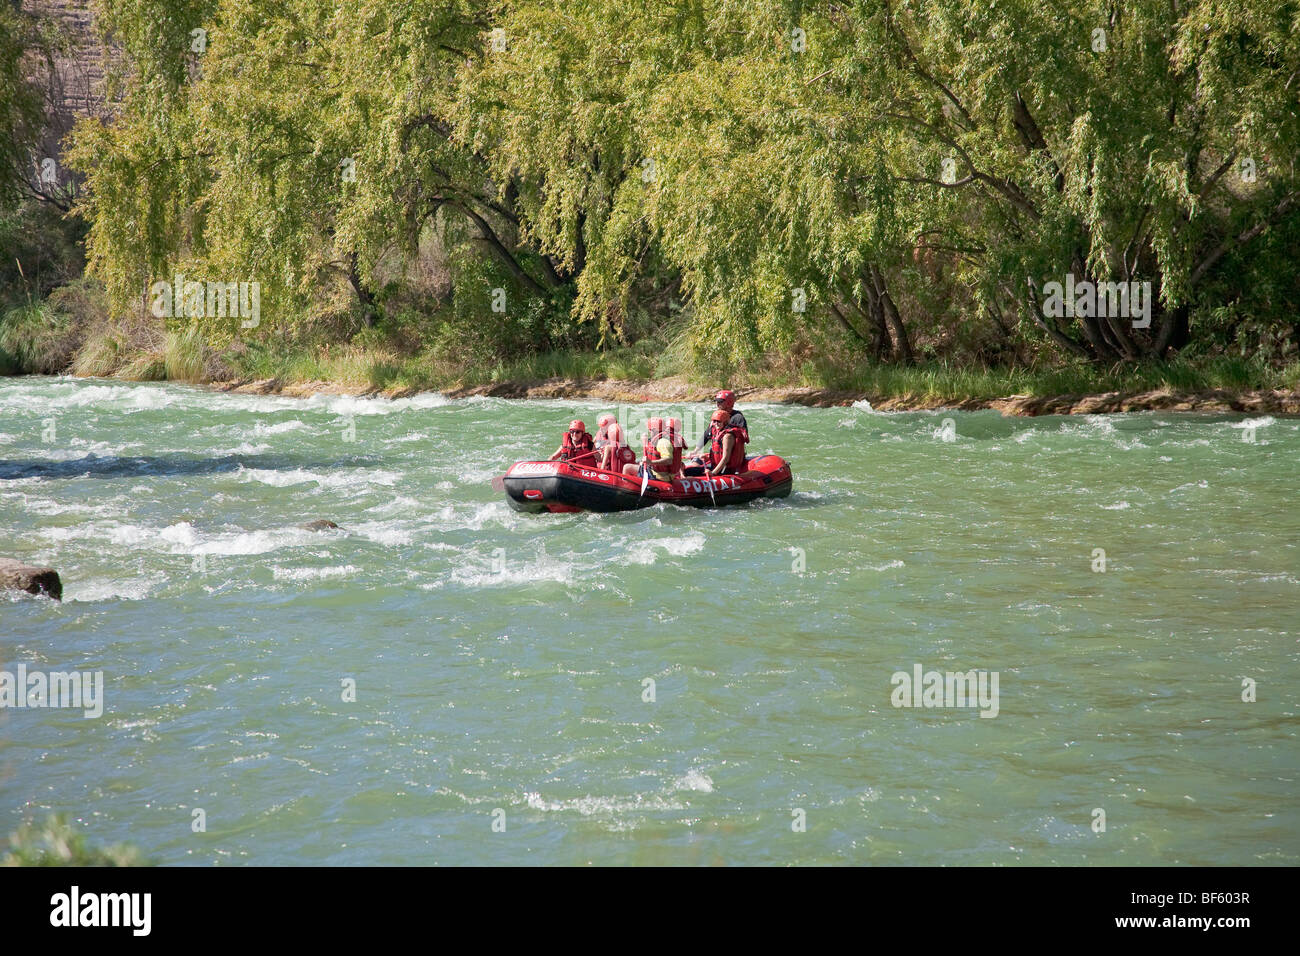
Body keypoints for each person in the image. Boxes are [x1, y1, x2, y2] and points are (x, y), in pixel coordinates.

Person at [695, 389, 749, 455]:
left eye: (720, 402)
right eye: (717, 402)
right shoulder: (717, 417)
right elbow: (706, 436)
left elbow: (743, 438)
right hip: (718, 453)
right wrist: (695, 451)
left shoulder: (738, 417)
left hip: (731, 455)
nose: (717, 404)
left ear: (729, 402)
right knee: (696, 462)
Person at [706, 408, 747, 476]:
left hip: (724, 470)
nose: (716, 424)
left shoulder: (727, 436)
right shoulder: (717, 432)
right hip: (717, 467)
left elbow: (726, 458)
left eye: (718, 421)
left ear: (725, 422)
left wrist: (713, 473)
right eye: (714, 421)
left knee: (691, 472)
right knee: (689, 471)